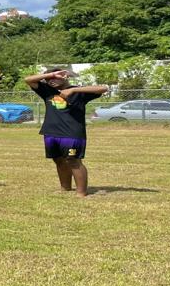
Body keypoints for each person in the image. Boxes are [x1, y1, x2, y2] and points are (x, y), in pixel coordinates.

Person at [24, 68, 109, 197]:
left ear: (64, 76)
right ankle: (65, 188)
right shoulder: (46, 90)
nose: (50, 81)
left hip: (71, 134)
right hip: (51, 133)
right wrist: (52, 74)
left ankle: (81, 193)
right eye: (47, 79)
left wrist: (73, 90)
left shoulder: (79, 92)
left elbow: (103, 88)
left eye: (53, 78)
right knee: (58, 160)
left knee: (73, 161)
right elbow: (28, 80)